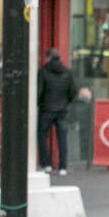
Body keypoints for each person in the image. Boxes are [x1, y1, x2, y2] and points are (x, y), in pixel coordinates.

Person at [37, 47, 75, 175]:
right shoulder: (67, 72)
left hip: (46, 109)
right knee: (62, 139)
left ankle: (46, 163)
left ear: (48, 58)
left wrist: (39, 104)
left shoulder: (43, 71)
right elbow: (72, 92)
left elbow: (39, 91)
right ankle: (62, 166)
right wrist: (65, 103)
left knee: (42, 136)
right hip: (62, 110)